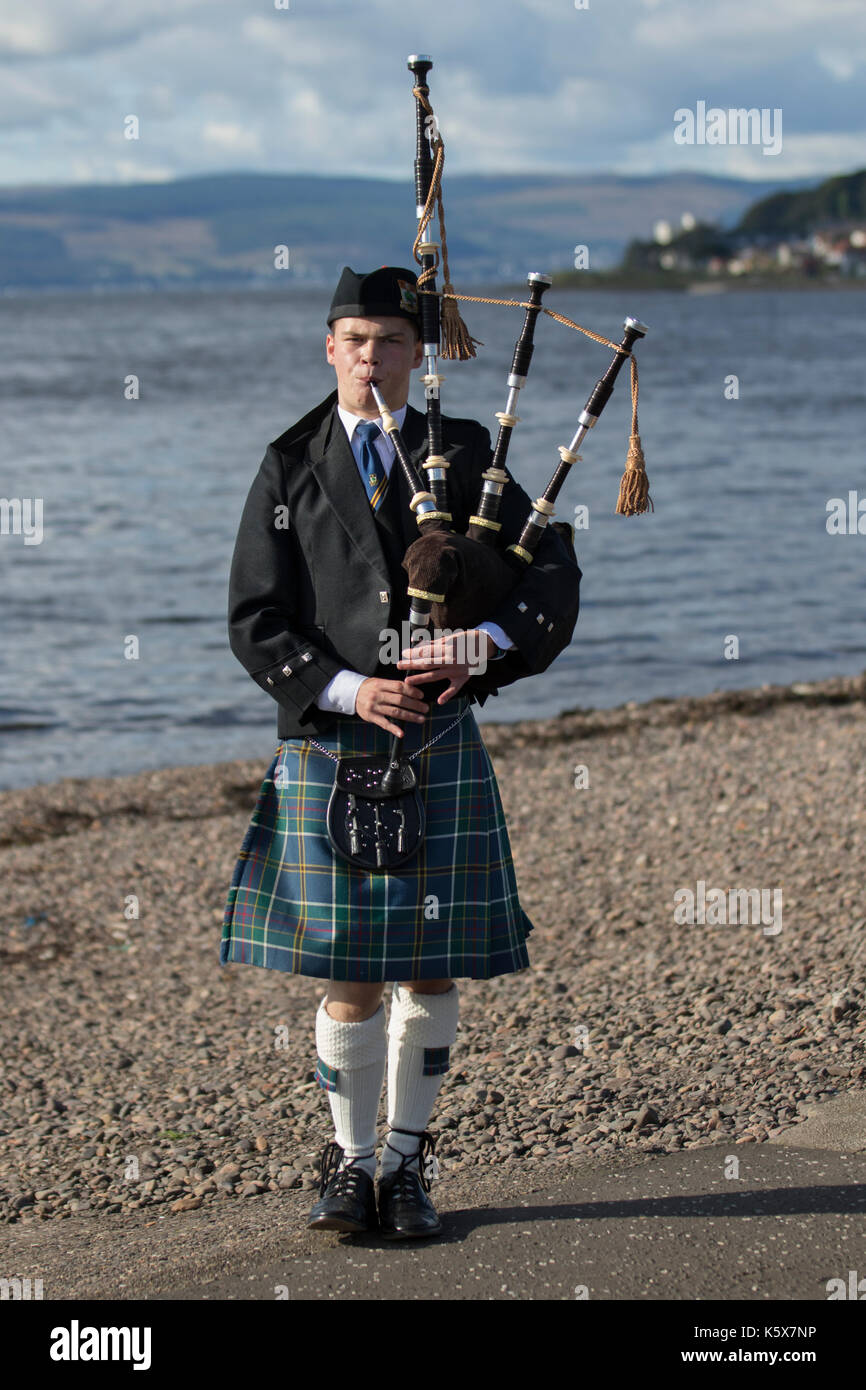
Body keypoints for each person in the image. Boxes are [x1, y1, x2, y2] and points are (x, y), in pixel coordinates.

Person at [221, 264, 581, 1239]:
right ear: (329, 348)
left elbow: (550, 573)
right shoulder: (289, 463)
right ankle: (350, 1164)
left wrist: (486, 643)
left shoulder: (466, 453)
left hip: (439, 732)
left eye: (389, 340)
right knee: (347, 967)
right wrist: (346, 687)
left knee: (428, 968)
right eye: (354, 340)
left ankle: (408, 1162)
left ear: (418, 352)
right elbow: (254, 617)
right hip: (333, 738)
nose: (370, 357)